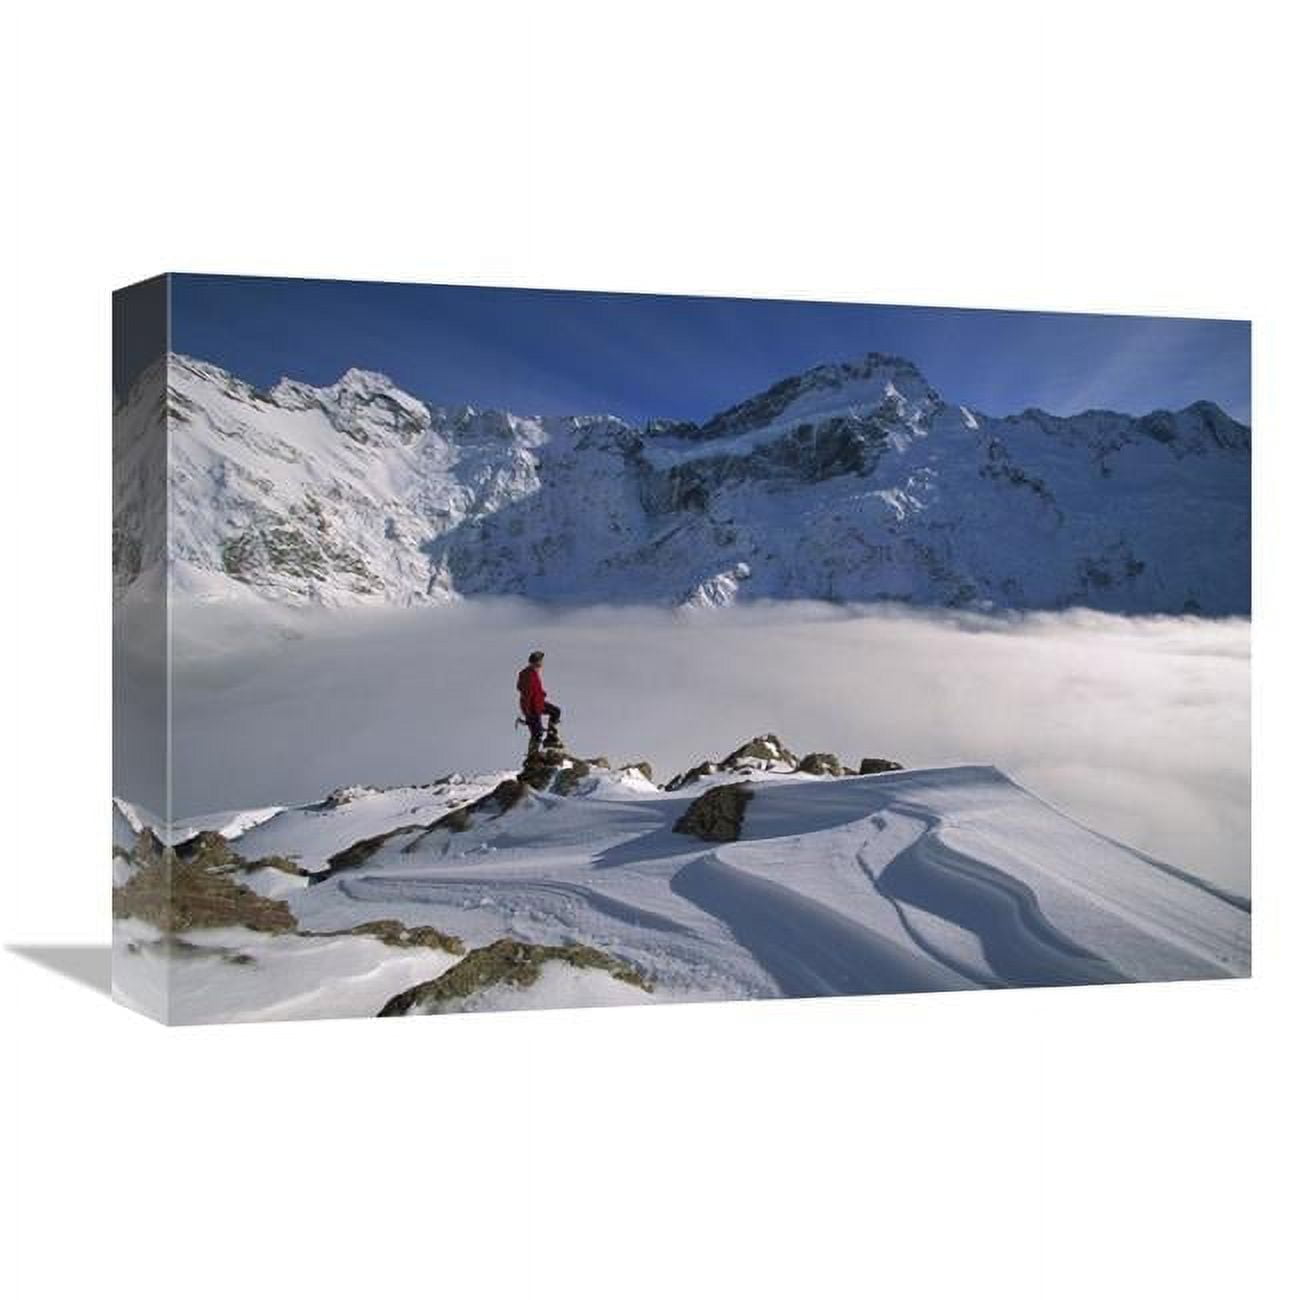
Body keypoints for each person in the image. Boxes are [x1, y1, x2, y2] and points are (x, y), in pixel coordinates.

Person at [517, 650, 562, 751]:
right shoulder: (528, 675)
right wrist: (527, 713)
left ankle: (550, 737)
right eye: (540, 661)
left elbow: (535, 690)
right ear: (535, 662)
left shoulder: (533, 672)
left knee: (555, 711)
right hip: (532, 708)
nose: (542, 663)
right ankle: (533, 754)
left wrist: (542, 694)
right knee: (537, 733)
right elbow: (527, 695)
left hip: (539, 704)